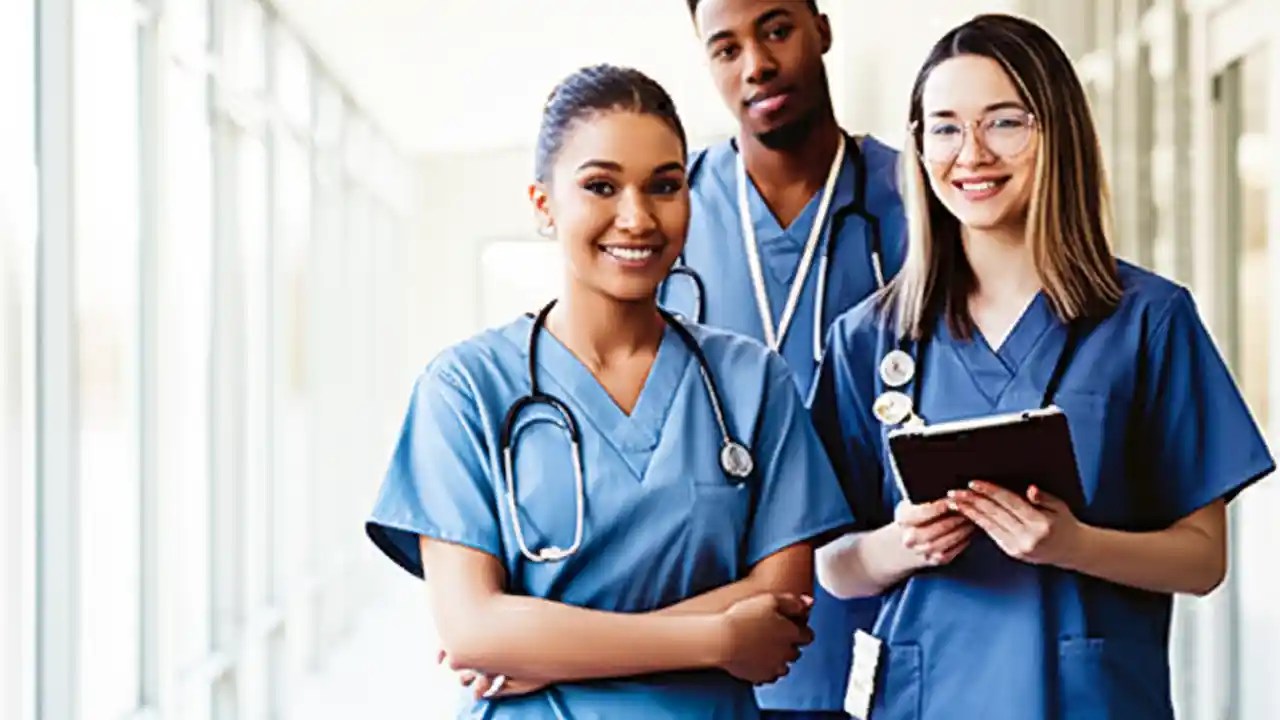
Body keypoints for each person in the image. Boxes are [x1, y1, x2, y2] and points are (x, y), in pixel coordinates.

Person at [810, 14, 1275, 720]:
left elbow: (1203, 560)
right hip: (927, 694)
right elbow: (829, 564)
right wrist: (897, 547)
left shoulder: (1147, 320)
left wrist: (1072, 544)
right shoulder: (869, 337)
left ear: (1056, 133)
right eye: (943, 126)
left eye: (1004, 122)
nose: (970, 153)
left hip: (1091, 701)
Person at [365, 64, 855, 719]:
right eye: (601, 186)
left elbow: (779, 607)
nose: (637, 217)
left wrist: (543, 648)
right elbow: (474, 630)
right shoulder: (466, 388)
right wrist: (716, 636)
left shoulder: (750, 381)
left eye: (665, 186)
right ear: (544, 204)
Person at [661, 2, 907, 717]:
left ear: (821, 29)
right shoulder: (674, 206)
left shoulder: (918, 200)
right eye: (725, 48)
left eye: (775, 30)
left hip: (884, 615)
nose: (756, 64)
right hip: (713, 622)